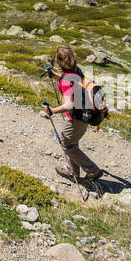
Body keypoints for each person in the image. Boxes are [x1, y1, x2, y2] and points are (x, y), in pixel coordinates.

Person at [43, 45, 104, 183]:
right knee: (72, 142)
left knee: (67, 143)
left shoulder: (66, 80)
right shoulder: (77, 71)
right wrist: (56, 75)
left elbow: (69, 105)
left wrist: (52, 110)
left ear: (59, 61)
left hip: (76, 118)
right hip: (86, 114)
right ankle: (72, 172)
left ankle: (93, 171)